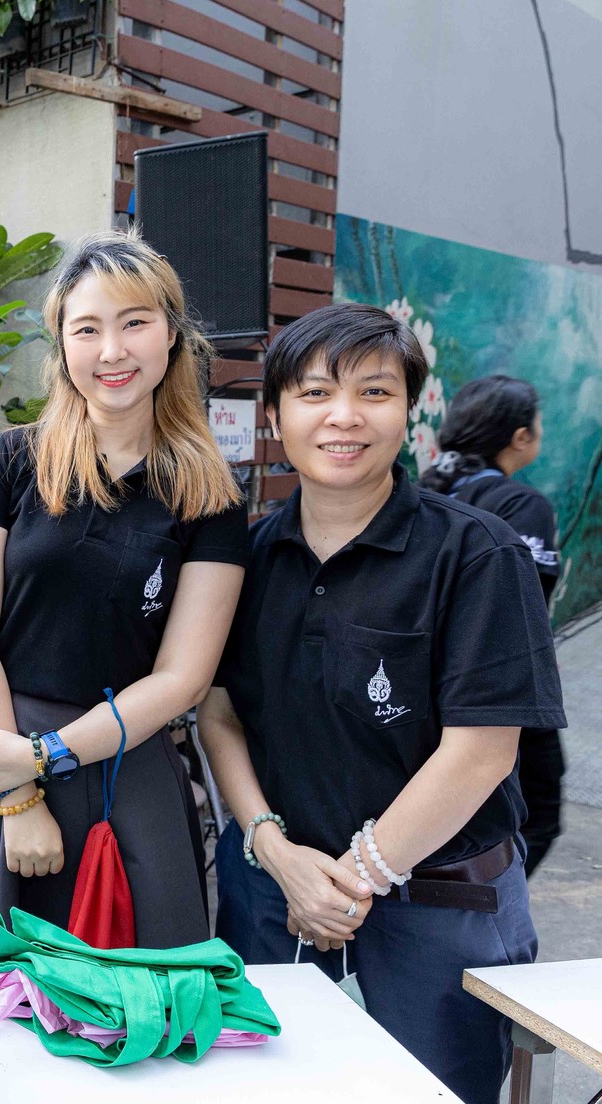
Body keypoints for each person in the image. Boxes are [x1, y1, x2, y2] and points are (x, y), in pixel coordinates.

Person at [199, 304, 566, 1104]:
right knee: (266, 1090)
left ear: (410, 413)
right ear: (274, 416)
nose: (343, 417)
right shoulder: (245, 558)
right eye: (314, 394)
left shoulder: (478, 553)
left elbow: (482, 751)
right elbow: (220, 711)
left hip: (439, 905)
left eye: (374, 392)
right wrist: (275, 851)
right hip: (275, 891)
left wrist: (353, 878)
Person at [0, 230, 249, 970]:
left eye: (134, 323)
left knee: (135, 1009)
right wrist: (19, 795)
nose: (112, 350)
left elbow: (183, 677)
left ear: (171, 335)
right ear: (62, 346)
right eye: (87, 329)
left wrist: (50, 755)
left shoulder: (210, 493)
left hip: (126, 765)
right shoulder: (9, 461)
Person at [421, 376, 564, 874]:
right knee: (533, 815)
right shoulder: (523, 505)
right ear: (520, 436)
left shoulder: (426, 490)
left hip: (421, 694)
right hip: (503, 692)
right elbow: (521, 613)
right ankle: (492, 902)